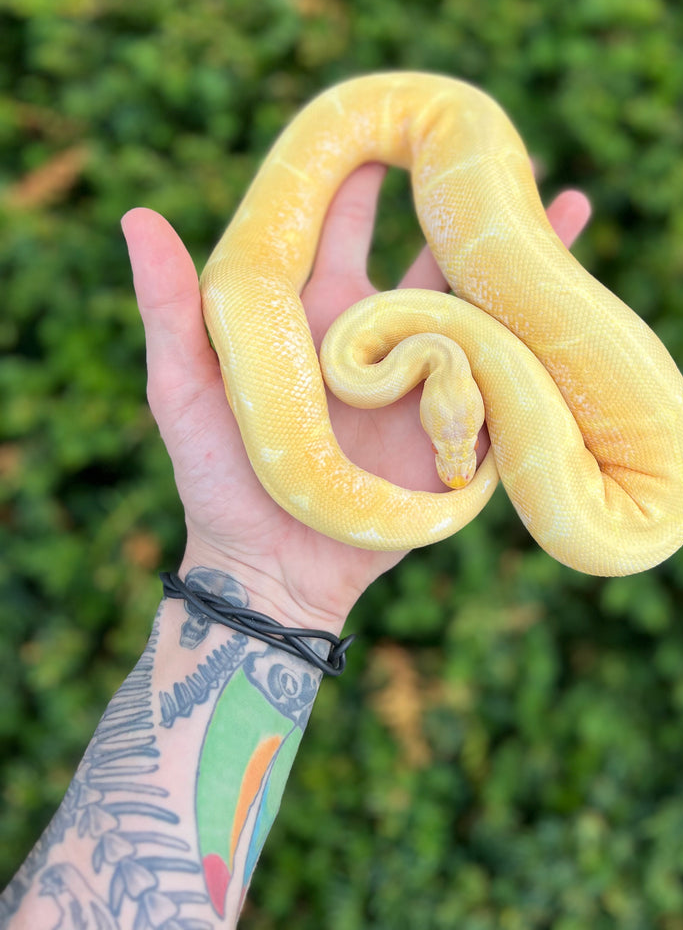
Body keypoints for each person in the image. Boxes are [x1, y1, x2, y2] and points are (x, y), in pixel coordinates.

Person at [1, 162, 590, 930]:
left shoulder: (427, 364)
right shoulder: (395, 365)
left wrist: (262, 580)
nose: (460, 464)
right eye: (461, 453)